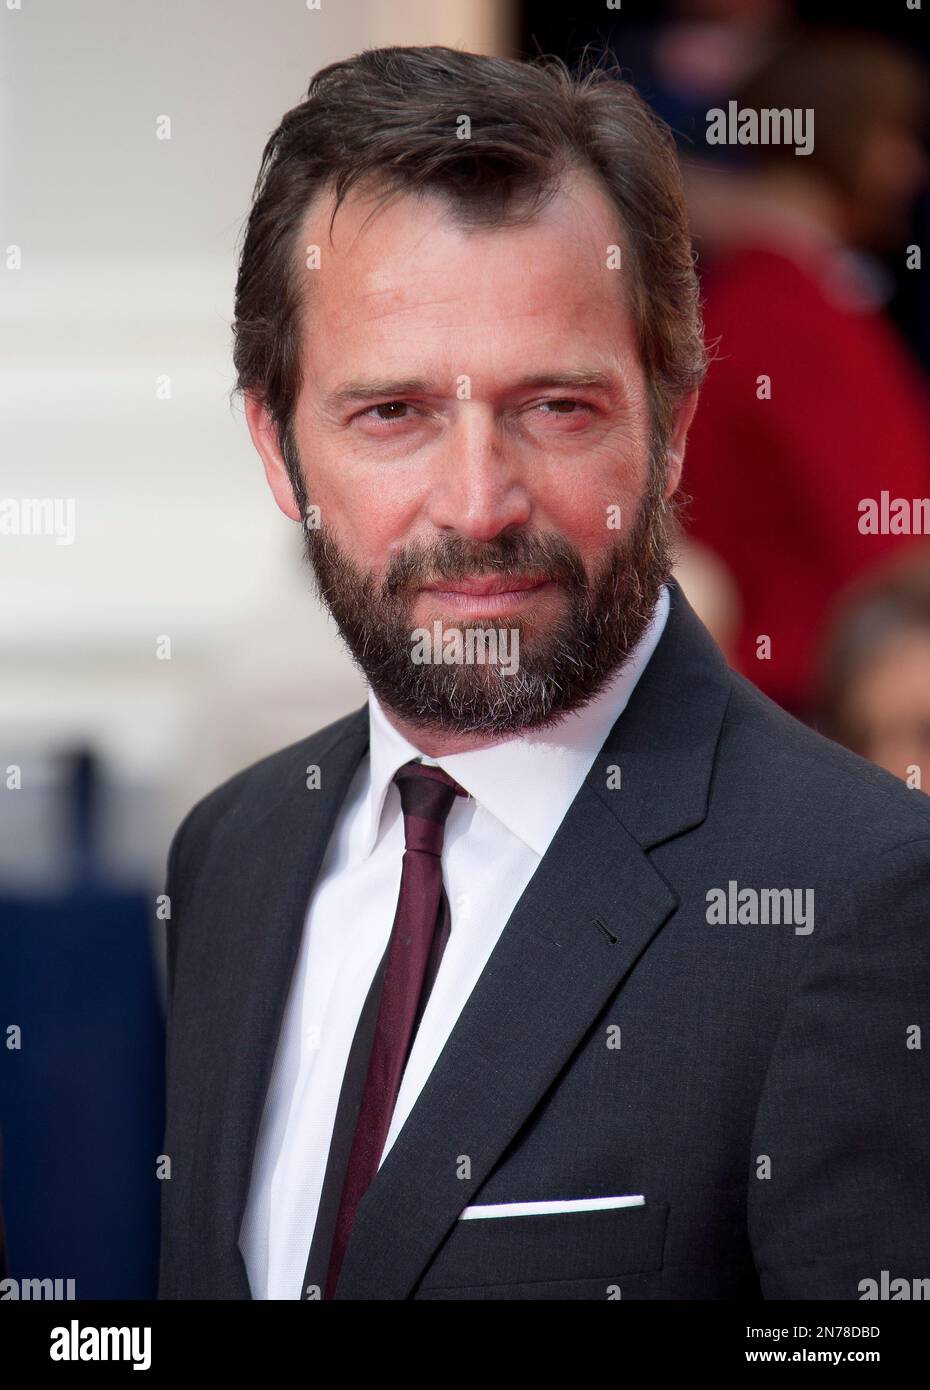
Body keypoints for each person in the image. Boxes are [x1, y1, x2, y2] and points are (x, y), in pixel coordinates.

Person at [158, 46, 930, 1301]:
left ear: (673, 424)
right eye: (391, 413)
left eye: (557, 407)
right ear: (277, 448)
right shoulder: (230, 856)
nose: (477, 502)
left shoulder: (869, 900)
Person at [682, 31, 930, 718]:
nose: (908, 168)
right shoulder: (791, 312)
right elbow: (885, 549)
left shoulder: (764, 296)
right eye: (892, 139)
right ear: (842, 140)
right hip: (823, 705)